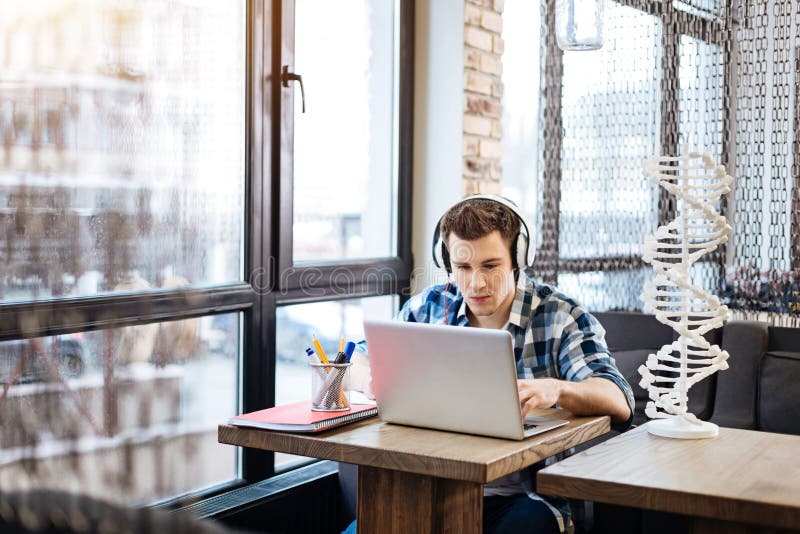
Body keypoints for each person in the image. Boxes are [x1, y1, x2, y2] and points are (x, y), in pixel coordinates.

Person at [345, 195, 634, 534]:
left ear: (518, 259)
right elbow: (351, 359)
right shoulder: (428, 309)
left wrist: (556, 388)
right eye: (463, 268)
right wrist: (370, 379)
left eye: (490, 266)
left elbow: (619, 400)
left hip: (526, 499)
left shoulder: (561, 316)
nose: (476, 283)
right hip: (429, 486)